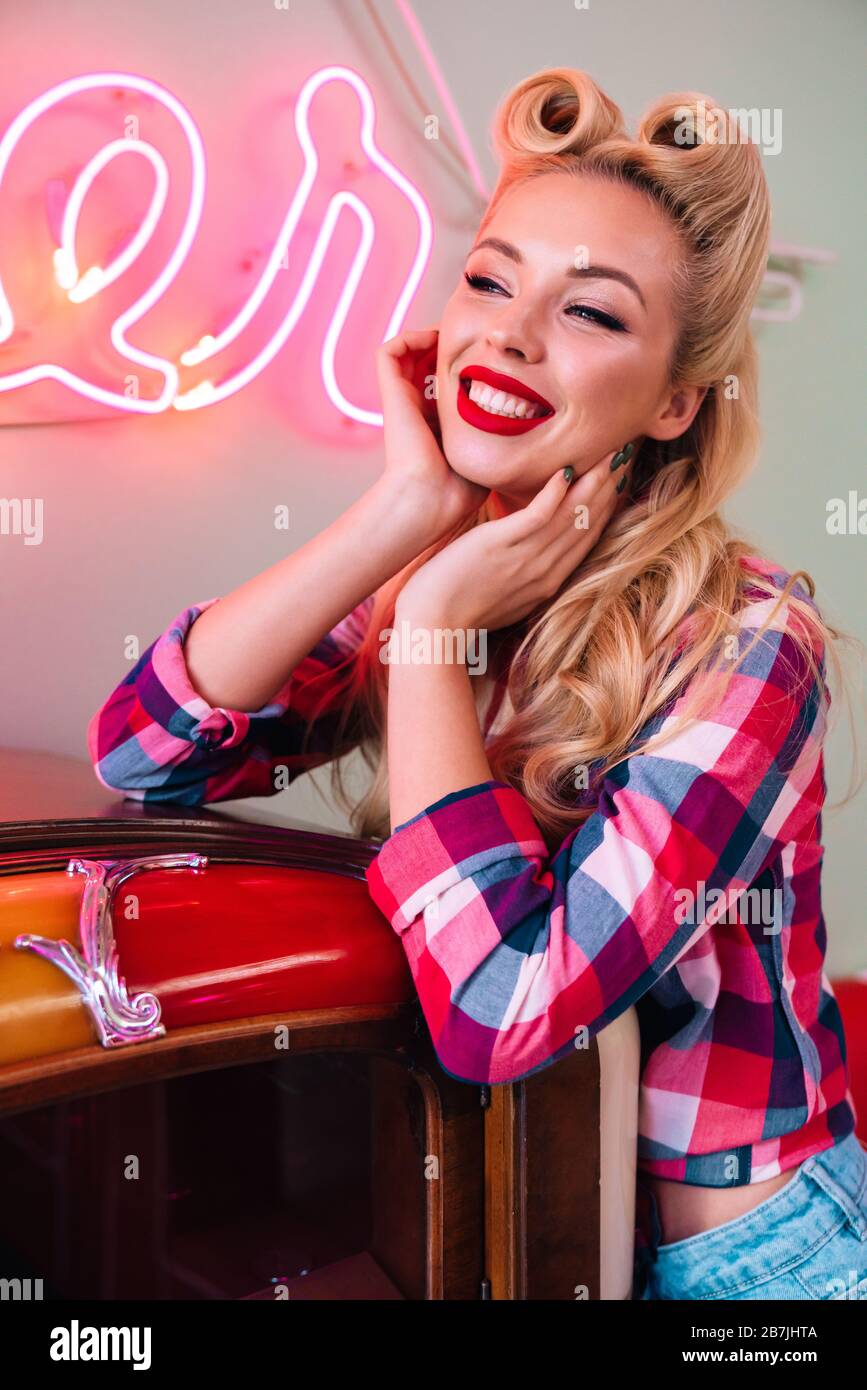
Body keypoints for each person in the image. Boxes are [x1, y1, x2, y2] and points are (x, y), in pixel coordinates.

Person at [88, 68, 865, 1300]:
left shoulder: (754, 641)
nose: (506, 333)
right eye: (490, 280)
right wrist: (406, 512)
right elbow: (145, 750)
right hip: (528, 1223)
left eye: (592, 313)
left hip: (752, 1263)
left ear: (673, 401)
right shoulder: (446, 558)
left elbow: (505, 1009)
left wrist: (435, 627)